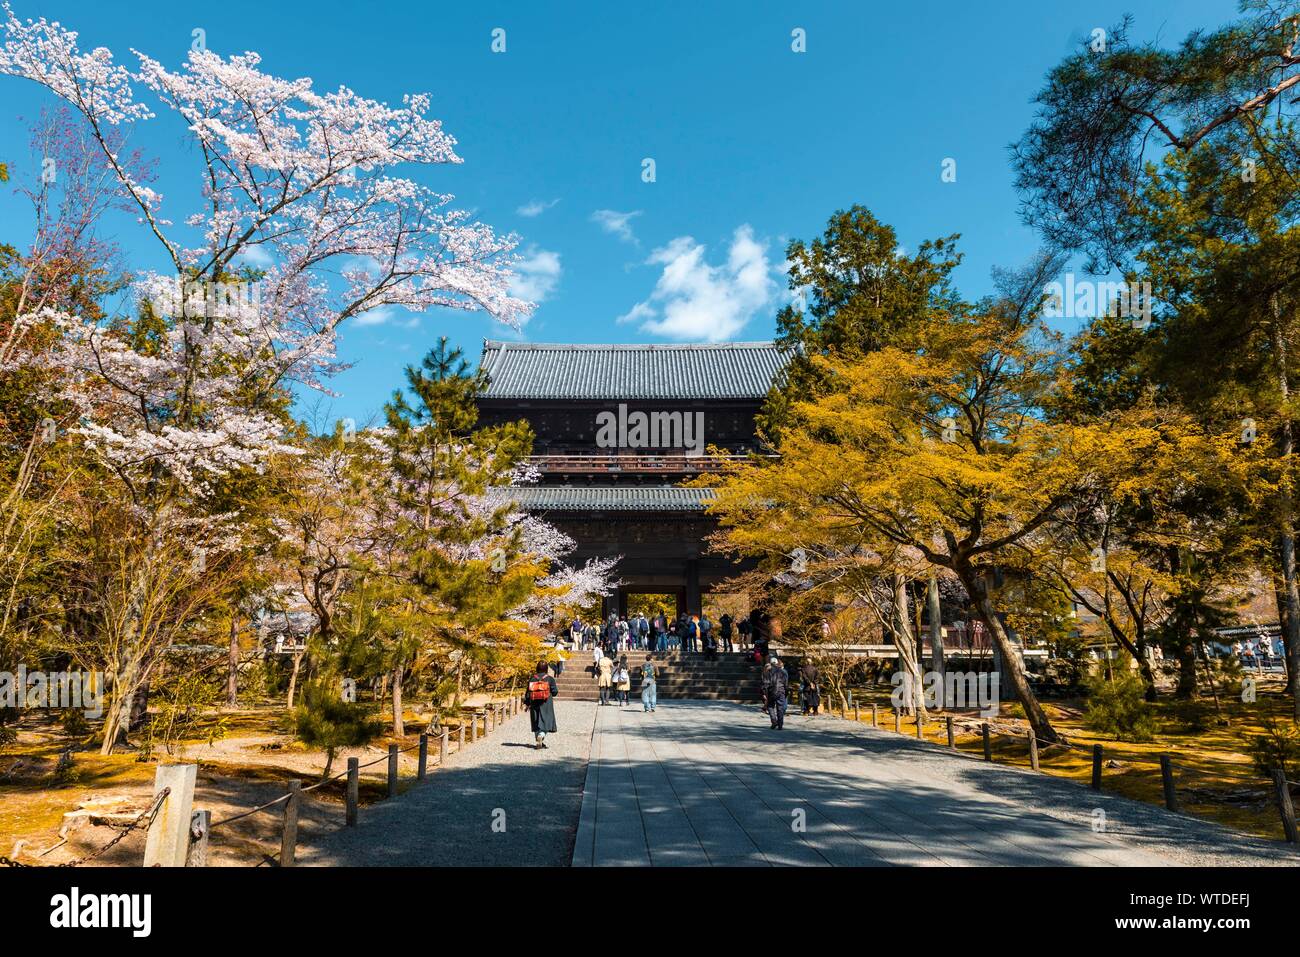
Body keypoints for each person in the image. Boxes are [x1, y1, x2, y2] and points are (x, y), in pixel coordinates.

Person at [523, 660, 559, 750]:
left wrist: (527, 704)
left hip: (534, 703)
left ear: (537, 668)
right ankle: (541, 735)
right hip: (546, 703)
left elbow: (528, 693)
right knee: (547, 721)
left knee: (536, 722)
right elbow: (555, 692)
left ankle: (539, 740)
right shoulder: (550, 679)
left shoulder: (532, 678)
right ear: (546, 668)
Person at [764, 655, 789, 729]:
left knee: (770, 706)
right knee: (780, 707)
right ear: (777, 663)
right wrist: (786, 692)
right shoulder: (783, 672)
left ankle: (774, 721)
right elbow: (786, 684)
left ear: (771, 663)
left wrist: (765, 693)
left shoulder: (768, 672)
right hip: (781, 691)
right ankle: (780, 724)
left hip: (771, 691)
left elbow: (765, 684)